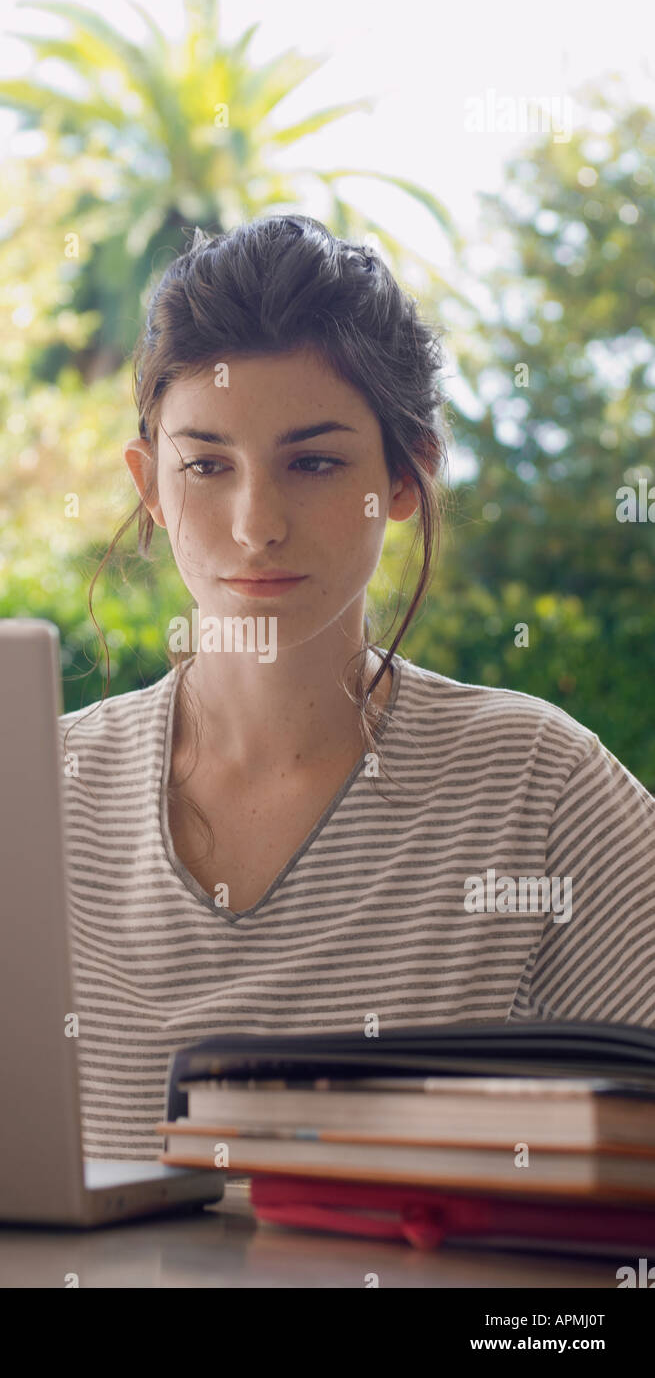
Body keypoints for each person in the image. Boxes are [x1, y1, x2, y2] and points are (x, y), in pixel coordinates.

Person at [60, 214, 655, 1161]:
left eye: (314, 462)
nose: (256, 525)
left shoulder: (538, 788)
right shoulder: (36, 795)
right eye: (206, 465)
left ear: (406, 473)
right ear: (150, 485)